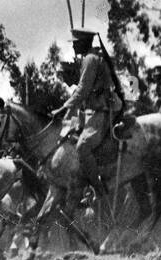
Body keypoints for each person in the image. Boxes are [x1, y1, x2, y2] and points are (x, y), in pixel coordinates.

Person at [50, 29, 123, 197]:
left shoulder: (90, 59)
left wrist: (63, 108)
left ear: (84, 43)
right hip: (91, 111)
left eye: (76, 42)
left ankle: (98, 187)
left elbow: (83, 89)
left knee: (83, 147)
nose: (74, 45)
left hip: (101, 110)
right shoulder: (89, 58)